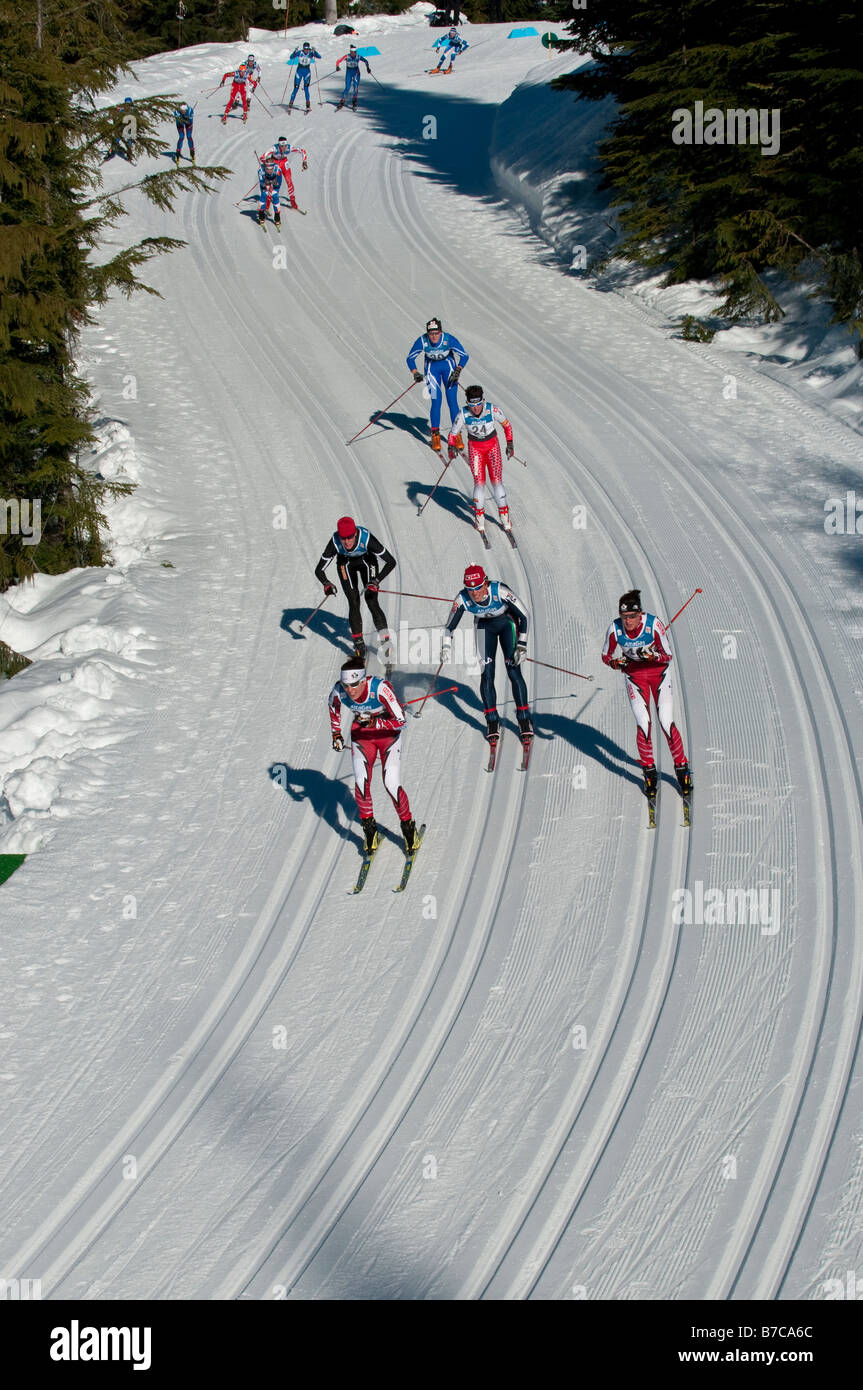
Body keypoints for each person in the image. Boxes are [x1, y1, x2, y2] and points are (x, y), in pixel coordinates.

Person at [601, 589, 692, 797]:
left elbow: (667, 655)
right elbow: (605, 655)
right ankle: (649, 772)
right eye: (624, 617)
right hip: (634, 677)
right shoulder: (615, 629)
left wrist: (652, 655)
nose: (628, 622)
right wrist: (615, 663)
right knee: (644, 722)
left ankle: (682, 769)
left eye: (632, 617)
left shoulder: (653, 625)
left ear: (640, 614)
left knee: (665, 721)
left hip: (658, 675)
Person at [329, 656, 420, 854]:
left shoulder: (380, 688)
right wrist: (336, 733)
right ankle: (370, 831)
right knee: (361, 782)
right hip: (362, 737)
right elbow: (332, 704)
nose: (350, 690)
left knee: (391, 783)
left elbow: (401, 722)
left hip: (388, 736)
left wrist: (375, 723)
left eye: (354, 684)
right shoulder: (339, 690)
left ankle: (408, 828)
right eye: (346, 685)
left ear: (363, 680)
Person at [441, 564, 533, 742]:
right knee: (487, 674)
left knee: (513, 672)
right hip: (484, 628)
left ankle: (523, 719)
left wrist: (522, 644)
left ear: (485, 583)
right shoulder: (462, 599)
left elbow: (524, 616)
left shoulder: (500, 590)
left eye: (477, 588)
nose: (474, 593)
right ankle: (492, 721)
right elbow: (449, 627)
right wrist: (445, 646)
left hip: (507, 625)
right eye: (470, 589)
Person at [314, 516, 396, 664]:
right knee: (353, 601)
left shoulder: (366, 538)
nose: (346, 542)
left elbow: (391, 562)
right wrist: (326, 583)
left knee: (371, 600)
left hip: (367, 561)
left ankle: (386, 644)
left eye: (350, 537)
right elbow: (319, 569)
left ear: (356, 533)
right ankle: (359, 646)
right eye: (343, 538)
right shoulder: (335, 541)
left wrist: (376, 581)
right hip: (345, 564)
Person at [448, 384, 514, 537]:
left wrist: (510, 444)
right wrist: (451, 446)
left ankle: (505, 518)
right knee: (479, 483)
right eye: (472, 405)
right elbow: (453, 433)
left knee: (497, 481)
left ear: (483, 401)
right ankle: (480, 519)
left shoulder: (492, 409)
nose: (476, 408)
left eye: (478, 404)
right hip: (475, 450)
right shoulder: (463, 414)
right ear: (467, 403)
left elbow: (507, 425)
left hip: (492, 448)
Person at [405, 317, 470, 453]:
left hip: (449, 369)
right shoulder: (422, 340)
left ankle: (456, 434)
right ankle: (435, 436)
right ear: (427, 334)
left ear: (441, 332)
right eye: (431, 334)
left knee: (452, 402)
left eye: (436, 333)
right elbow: (410, 358)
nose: (434, 337)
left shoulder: (448, 339)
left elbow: (464, 355)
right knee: (436, 402)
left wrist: (458, 370)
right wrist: (415, 373)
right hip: (431, 370)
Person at [261, 136, 307, 212]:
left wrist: (304, 161)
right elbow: (263, 156)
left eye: (285, 146)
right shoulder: (274, 148)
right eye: (282, 146)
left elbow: (303, 151)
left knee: (289, 181)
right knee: (273, 183)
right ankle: (267, 204)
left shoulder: (289, 148)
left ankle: (293, 201)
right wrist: (266, 162)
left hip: (284, 162)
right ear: (279, 145)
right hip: (275, 162)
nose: (284, 148)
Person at [288, 41, 322, 112]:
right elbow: (291, 57)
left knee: (306, 88)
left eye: (307, 48)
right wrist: (295, 51)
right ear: (303, 48)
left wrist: (315, 51)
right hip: (299, 71)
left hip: (307, 72)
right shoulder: (300, 52)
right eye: (305, 48)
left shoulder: (311, 53)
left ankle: (308, 105)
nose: (306, 50)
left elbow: (319, 57)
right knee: (296, 88)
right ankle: (291, 103)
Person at [335, 43, 371, 111]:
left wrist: (368, 68)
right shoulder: (347, 56)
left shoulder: (358, 56)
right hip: (349, 72)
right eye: (351, 52)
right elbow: (338, 61)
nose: (352, 54)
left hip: (356, 73)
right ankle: (342, 101)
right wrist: (337, 66)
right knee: (347, 87)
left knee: (355, 86)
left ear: (355, 52)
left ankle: (354, 101)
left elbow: (366, 61)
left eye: (354, 52)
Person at [257, 157, 283, 226]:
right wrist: (265, 184)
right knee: (264, 196)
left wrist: (275, 183)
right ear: (265, 167)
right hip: (265, 184)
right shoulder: (261, 170)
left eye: (271, 169)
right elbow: (261, 183)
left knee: (275, 197)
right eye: (267, 169)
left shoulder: (278, 169)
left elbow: (279, 182)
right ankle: (261, 217)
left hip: (274, 184)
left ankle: (277, 218)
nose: (269, 171)